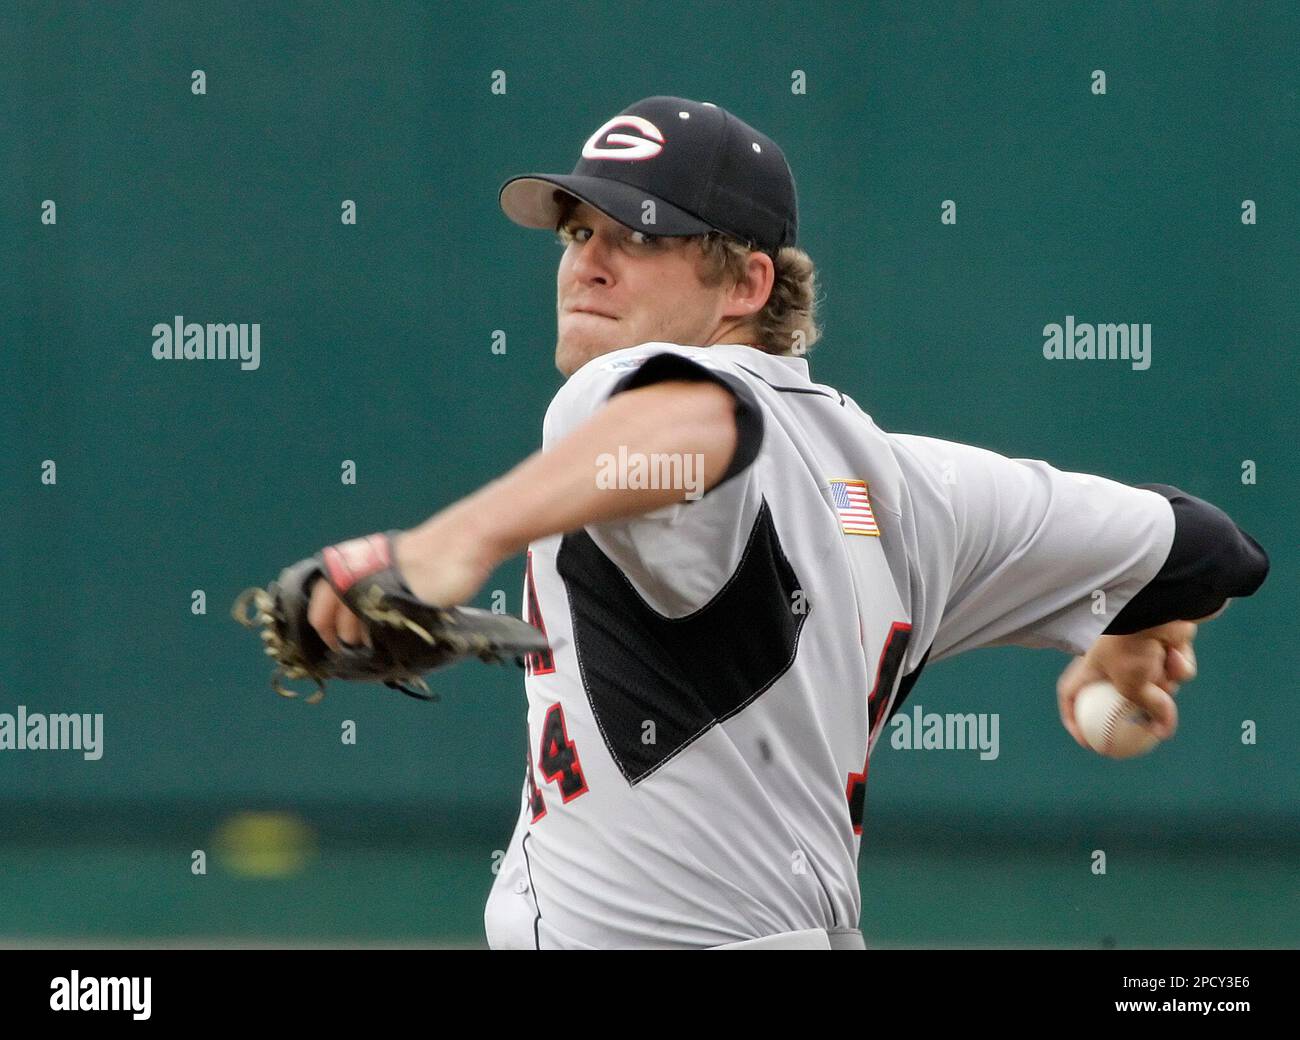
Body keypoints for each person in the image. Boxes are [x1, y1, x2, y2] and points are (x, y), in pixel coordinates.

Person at [306, 96, 1269, 949]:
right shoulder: (918, 488)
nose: (587, 266)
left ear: (747, 287)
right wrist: (1136, 624)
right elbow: (1210, 550)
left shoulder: (628, 396)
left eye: (636, 237)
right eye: (575, 234)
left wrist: (450, 542)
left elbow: (703, 428)